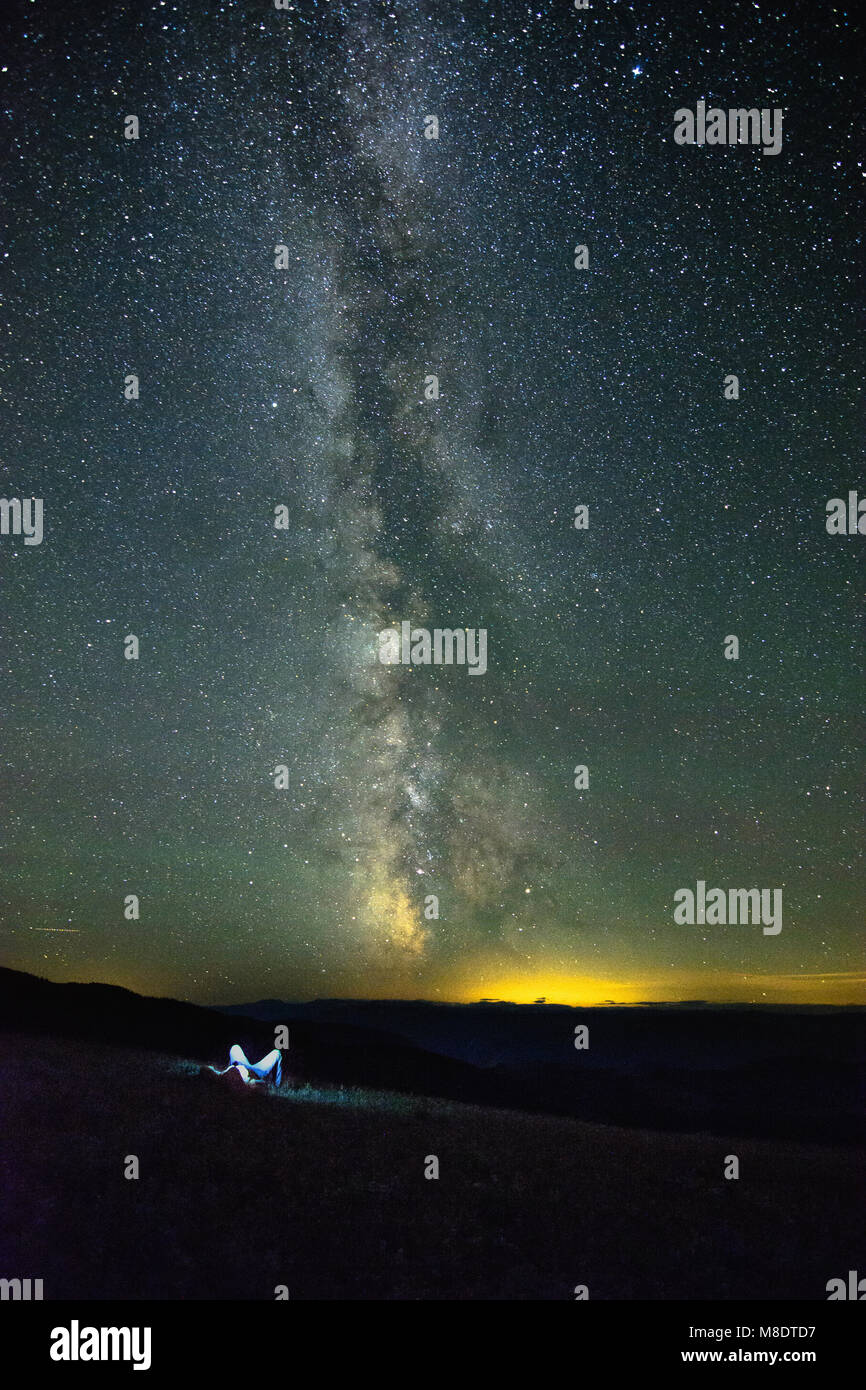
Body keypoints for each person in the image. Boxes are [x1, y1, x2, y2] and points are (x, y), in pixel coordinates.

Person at [209, 1043, 282, 1088]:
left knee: (235, 1047)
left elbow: (207, 1069)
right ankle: (277, 1085)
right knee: (277, 1053)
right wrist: (262, 1082)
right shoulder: (243, 1083)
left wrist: (213, 1070)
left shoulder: (221, 1075)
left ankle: (277, 1085)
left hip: (242, 1065)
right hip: (256, 1072)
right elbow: (260, 1082)